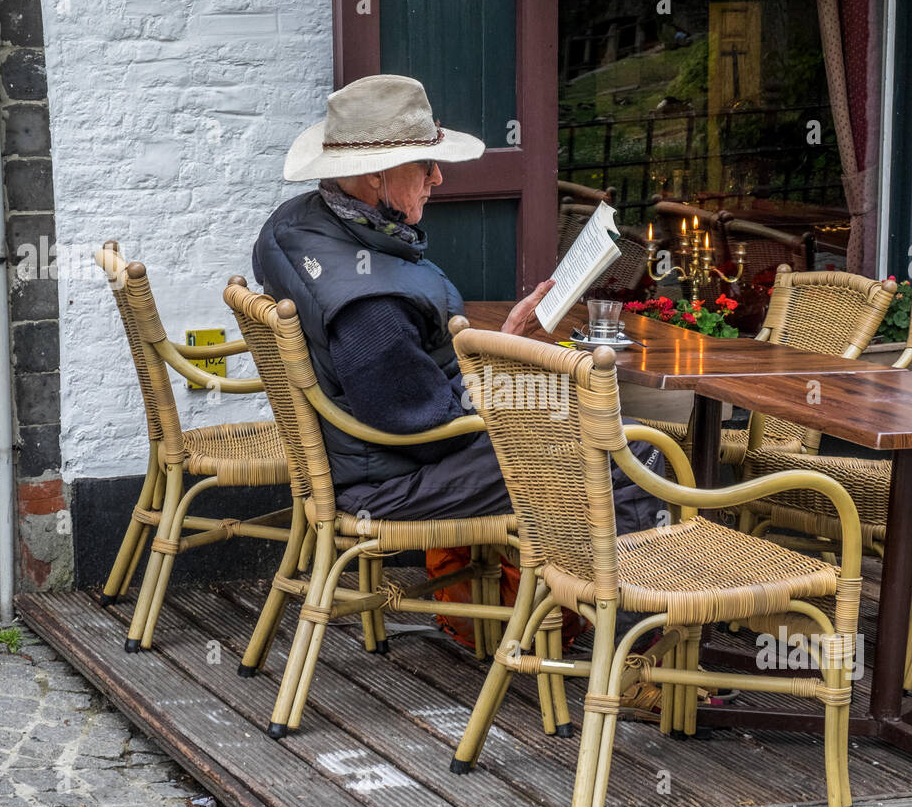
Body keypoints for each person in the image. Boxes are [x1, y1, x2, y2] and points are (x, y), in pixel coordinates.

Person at [253, 74, 665, 533]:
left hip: (363, 457)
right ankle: (629, 602)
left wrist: (497, 347)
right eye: (426, 164)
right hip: (389, 482)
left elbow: (404, 389)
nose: (438, 178)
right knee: (623, 450)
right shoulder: (371, 303)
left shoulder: (295, 225)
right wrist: (503, 383)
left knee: (574, 423)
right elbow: (425, 431)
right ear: (375, 175)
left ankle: (564, 593)